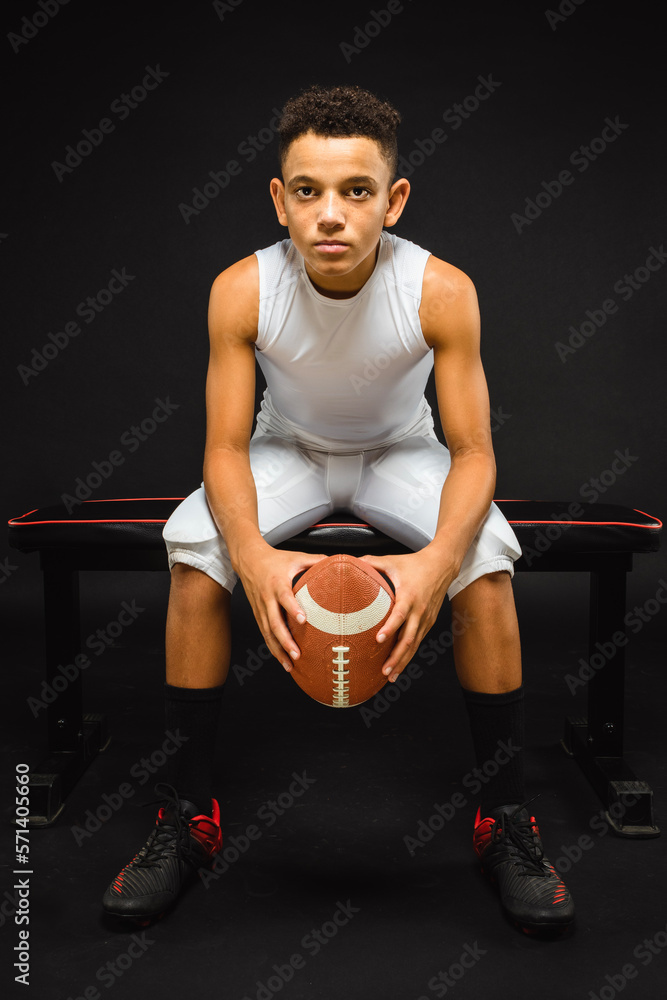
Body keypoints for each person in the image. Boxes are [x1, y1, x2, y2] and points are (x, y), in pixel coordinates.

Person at [102, 84, 574, 933]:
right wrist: (250, 557)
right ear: (279, 199)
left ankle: (504, 820)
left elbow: (473, 453)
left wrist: (435, 564)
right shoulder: (241, 289)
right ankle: (187, 816)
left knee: (485, 569)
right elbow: (223, 448)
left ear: (392, 201)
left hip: (403, 450)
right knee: (195, 557)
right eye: (307, 190)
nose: (330, 214)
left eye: (356, 191)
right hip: (285, 450)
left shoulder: (440, 289)